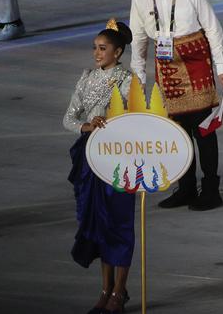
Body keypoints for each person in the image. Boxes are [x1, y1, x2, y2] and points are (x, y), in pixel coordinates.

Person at [129, 0, 223, 210]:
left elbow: (213, 29)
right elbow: (138, 39)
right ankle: (186, 187)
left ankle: (211, 189)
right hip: (166, 67)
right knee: (177, 131)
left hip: (196, 64)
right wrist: (138, 77)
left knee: (203, 130)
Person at [63, 20, 139, 313]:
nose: (96, 53)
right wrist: (86, 126)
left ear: (117, 52)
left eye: (103, 48)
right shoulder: (86, 78)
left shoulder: (127, 80)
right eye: (95, 47)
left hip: (118, 157)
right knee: (98, 222)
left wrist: (111, 122)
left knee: (119, 221)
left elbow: (134, 117)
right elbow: (69, 118)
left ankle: (119, 291)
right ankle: (106, 289)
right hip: (89, 157)